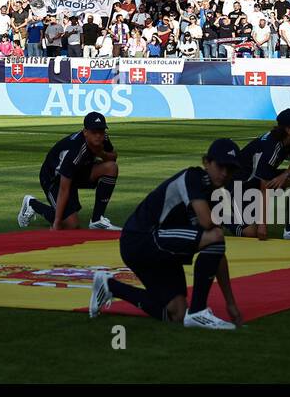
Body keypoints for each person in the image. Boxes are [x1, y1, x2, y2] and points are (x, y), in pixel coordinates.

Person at [88, 138, 245, 329]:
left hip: (153, 245)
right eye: (221, 166)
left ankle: (110, 286)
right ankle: (198, 312)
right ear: (206, 162)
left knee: (176, 313)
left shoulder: (209, 190)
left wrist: (231, 303)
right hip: (141, 239)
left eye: (230, 169)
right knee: (215, 235)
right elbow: (207, 224)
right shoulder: (194, 177)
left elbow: (218, 253)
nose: (225, 173)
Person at [18, 110, 121, 231]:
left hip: (77, 171)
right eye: (94, 132)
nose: (98, 135)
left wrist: (101, 153)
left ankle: (97, 219)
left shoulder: (103, 138)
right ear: (85, 132)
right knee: (71, 225)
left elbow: (113, 157)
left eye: (101, 131)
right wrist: (57, 222)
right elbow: (63, 188)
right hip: (53, 179)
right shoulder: (74, 151)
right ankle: (32, 204)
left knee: (111, 168)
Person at [230, 108, 290, 240]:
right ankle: (224, 217)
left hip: (255, 182)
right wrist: (263, 225)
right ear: (288, 129)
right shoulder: (272, 148)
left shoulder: (289, 140)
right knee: (251, 233)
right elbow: (264, 188)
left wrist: (284, 176)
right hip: (239, 189)